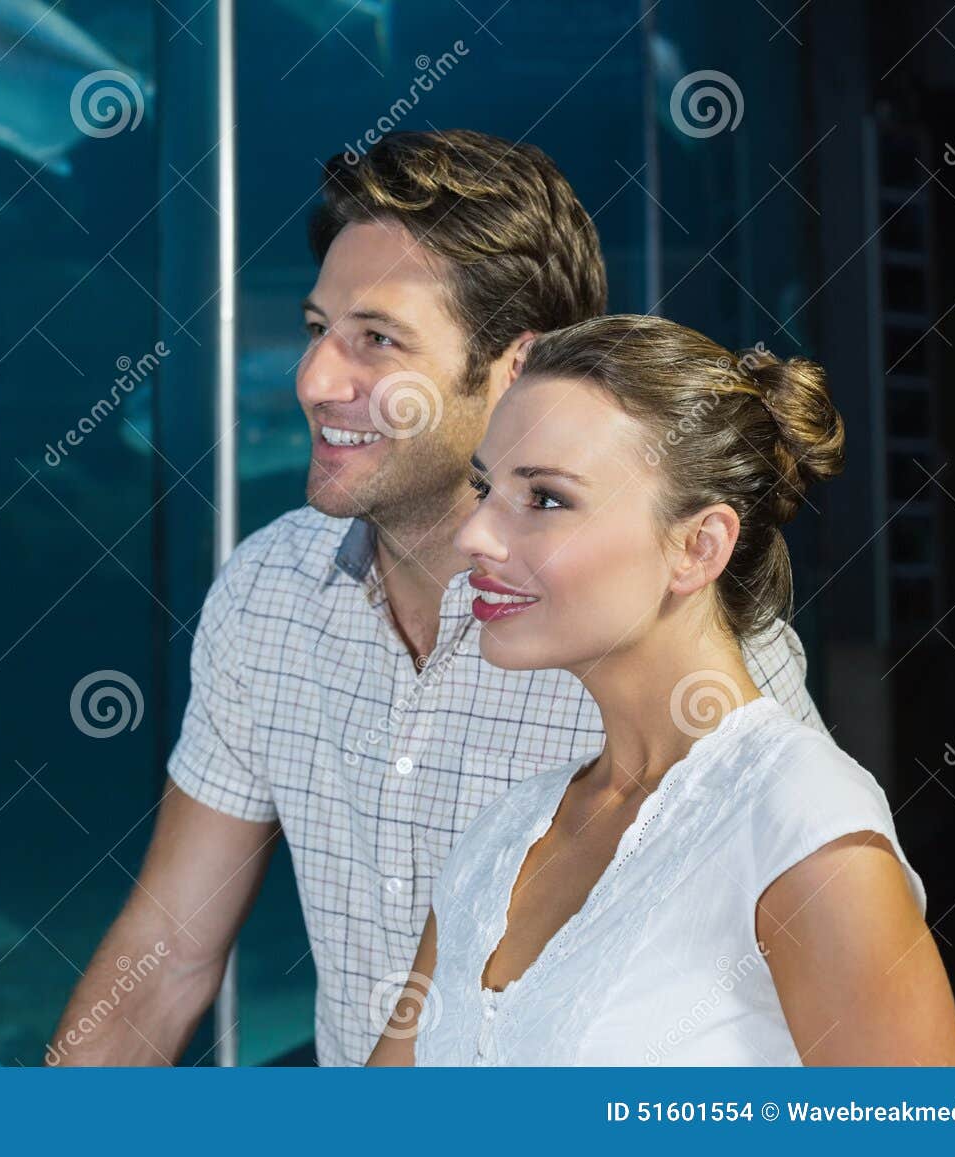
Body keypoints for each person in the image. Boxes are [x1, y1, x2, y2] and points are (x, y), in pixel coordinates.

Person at [46, 131, 825, 1068]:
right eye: (316, 330)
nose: (313, 380)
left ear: (518, 369)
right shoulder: (267, 593)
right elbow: (166, 952)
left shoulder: (676, 642)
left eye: (376, 339)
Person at [365, 314, 955, 1066]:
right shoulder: (499, 840)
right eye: (487, 487)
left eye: (545, 498)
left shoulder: (801, 824)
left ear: (697, 548)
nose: (476, 536)